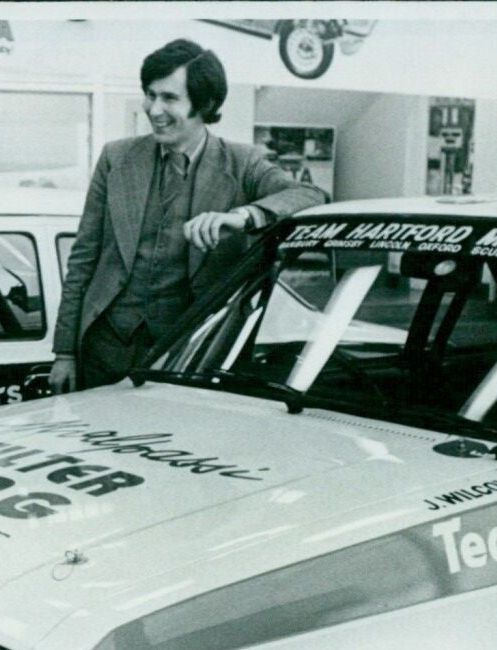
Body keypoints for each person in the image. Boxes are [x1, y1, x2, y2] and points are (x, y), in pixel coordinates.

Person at [51, 39, 327, 392]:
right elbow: (83, 258)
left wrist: (245, 215)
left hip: (191, 356)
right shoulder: (115, 159)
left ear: (206, 103)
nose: (153, 109)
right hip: (104, 350)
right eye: (150, 95)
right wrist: (64, 354)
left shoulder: (243, 163)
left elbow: (312, 195)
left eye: (169, 98)